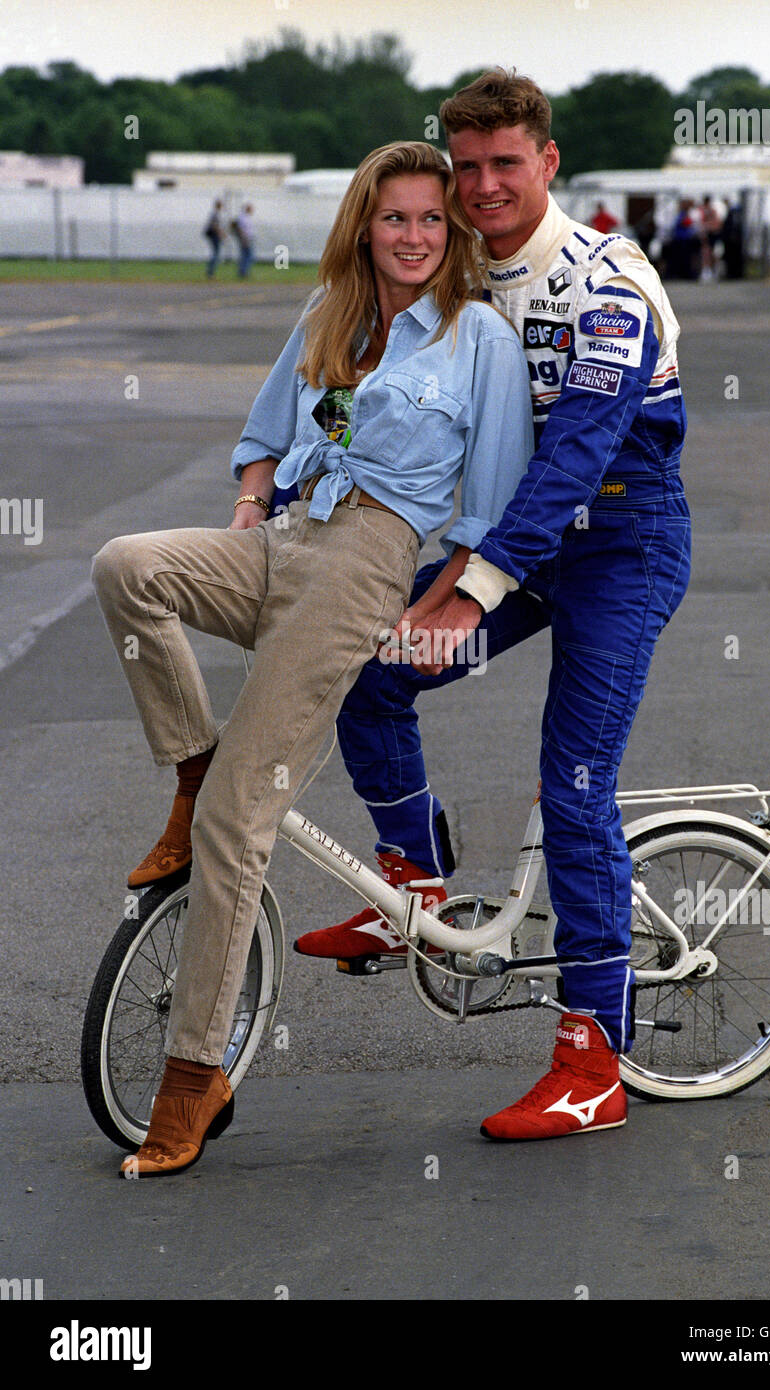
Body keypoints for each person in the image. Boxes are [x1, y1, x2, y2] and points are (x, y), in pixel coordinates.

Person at [90, 140, 534, 1176]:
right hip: (278, 540)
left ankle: (194, 1073)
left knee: (241, 819)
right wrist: (250, 511)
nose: (415, 236)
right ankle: (189, 767)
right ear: (363, 225)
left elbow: (493, 506)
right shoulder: (330, 312)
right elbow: (261, 434)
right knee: (127, 565)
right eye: (395, 219)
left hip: (363, 567)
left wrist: (433, 602)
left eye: (432, 219)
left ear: (451, 229)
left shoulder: (478, 342)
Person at [294, 70, 691, 1142]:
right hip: (512, 541)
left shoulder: (609, 279)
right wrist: (293, 491)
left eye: (502, 163)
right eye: (463, 166)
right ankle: (411, 889)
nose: (479, 187)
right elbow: (368, 386)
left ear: (546, 162)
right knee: (371, 674)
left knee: (572, 786)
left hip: (622, 536)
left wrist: (467, 594)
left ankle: (593, 1061)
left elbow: (570, 458)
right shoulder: (459, 280)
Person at [202, 198, 225, 277]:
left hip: (214, 235)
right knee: (216, 254)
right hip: (214, 236)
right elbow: (214, 226)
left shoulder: (215, 214)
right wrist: (220, 234)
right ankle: (210, 272)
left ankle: (210, 271)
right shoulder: (215, 214)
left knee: (215, 253)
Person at [232, 203, 255, 278]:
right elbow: (240, 229)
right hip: (245, 238)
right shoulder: (243, 218)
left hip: (248, 238)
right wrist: (244, 238)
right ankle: (243, 272)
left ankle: (243, 271)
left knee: (245, 255)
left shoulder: (246, 217)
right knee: (248, 255)